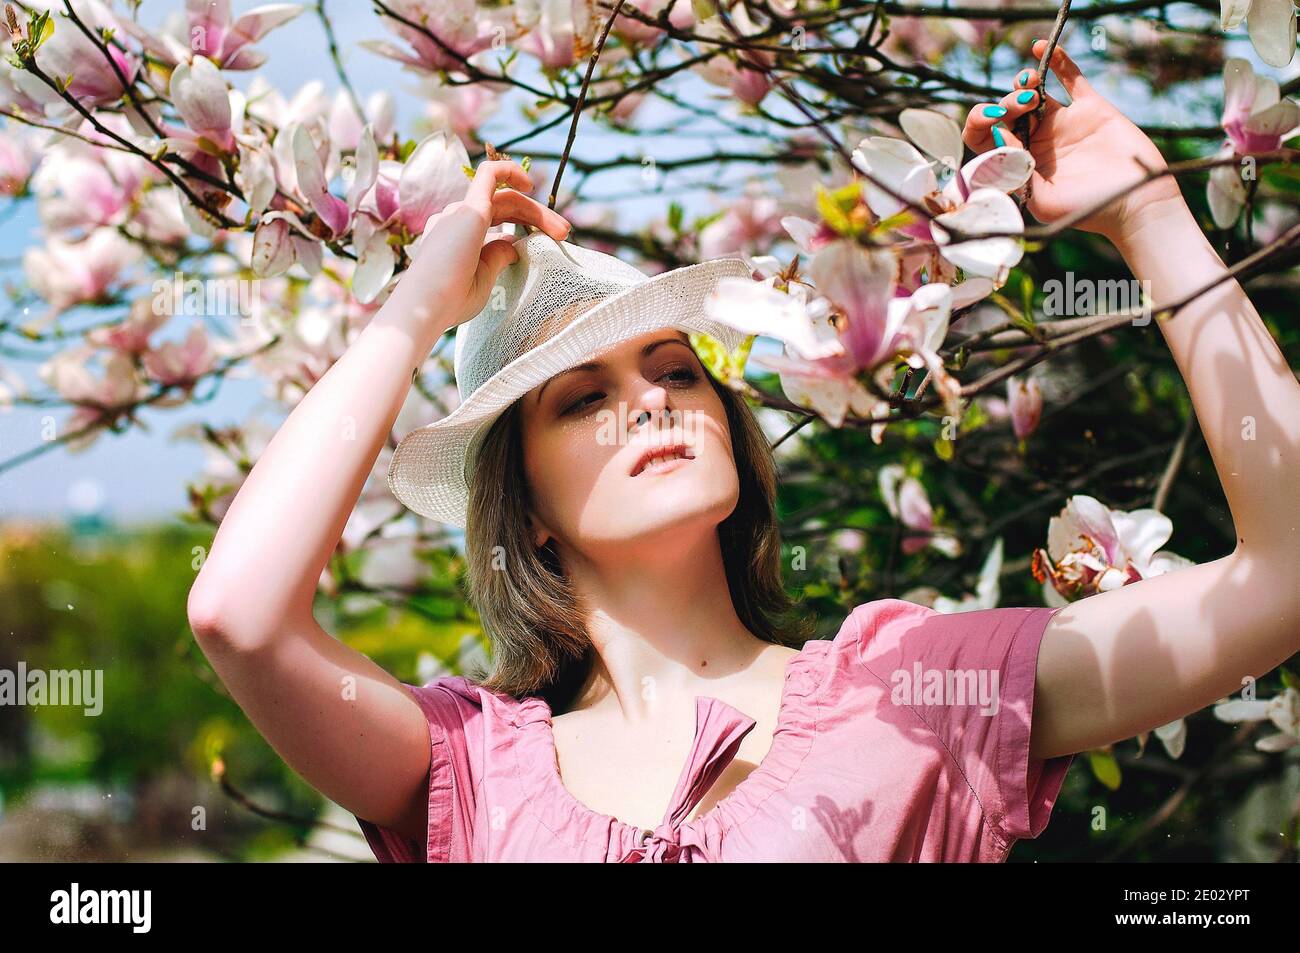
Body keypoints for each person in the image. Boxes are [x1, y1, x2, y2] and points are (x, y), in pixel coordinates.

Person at [187, 41, 1300, 862]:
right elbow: (238, 614)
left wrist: (1150, 217)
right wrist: (416, 308)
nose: (653, 403)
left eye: (678, 371)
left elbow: (1280, 580)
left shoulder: (910, 688)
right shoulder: (467, 770)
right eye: (583, 399)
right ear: (522, 505)